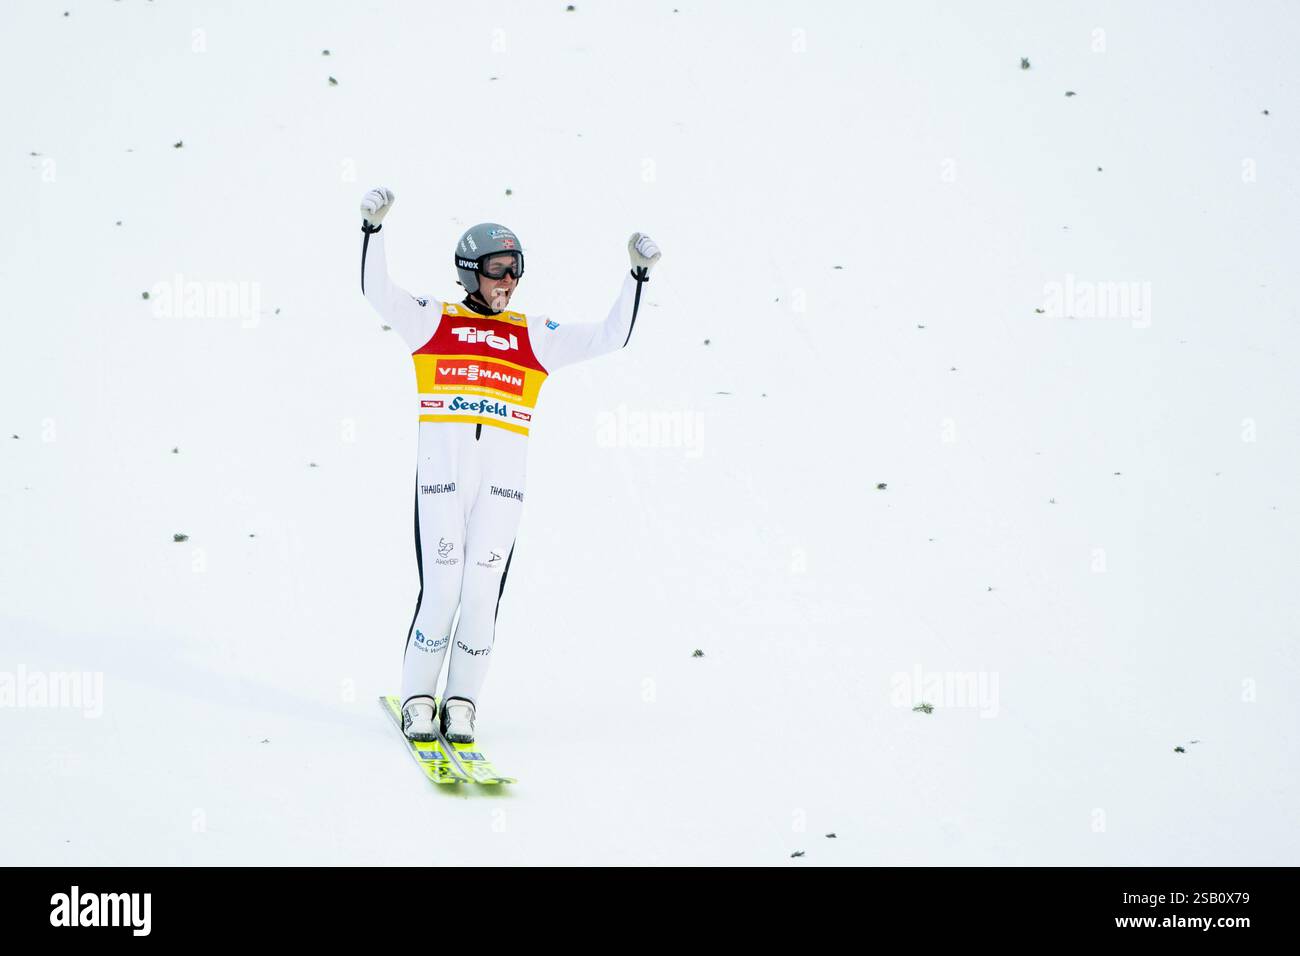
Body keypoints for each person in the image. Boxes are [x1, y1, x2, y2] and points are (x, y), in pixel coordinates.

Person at [358, 186, 661, 743]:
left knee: (481, 595)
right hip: (442, 483)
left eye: (515, 271)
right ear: (470, 272)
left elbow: (609, 336)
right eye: (498, 270)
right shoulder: (433, 323)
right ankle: (419, 699)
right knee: (443, 588)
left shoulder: (533, 336)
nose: (509, 282)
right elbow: (377, 292)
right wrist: (372, 230)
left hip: (502, 492)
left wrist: (636, 276)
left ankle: (463, 703)